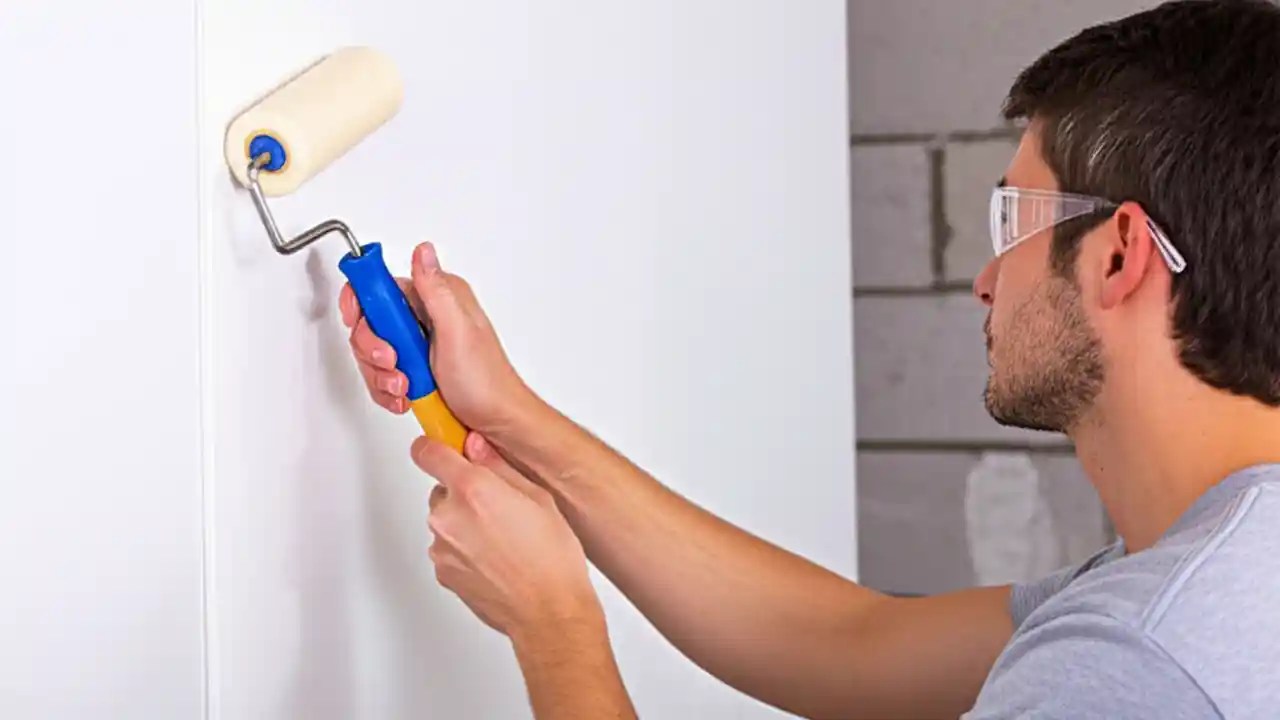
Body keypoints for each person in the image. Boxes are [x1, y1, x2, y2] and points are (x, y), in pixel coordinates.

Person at [339, 1, 1280, 716]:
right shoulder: (1212, 573)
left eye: (1014, 221)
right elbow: (848, 643)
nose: (986, 281)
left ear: (1119, 257)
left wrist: (553, 626)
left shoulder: (1139, 660)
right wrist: (511, 414)